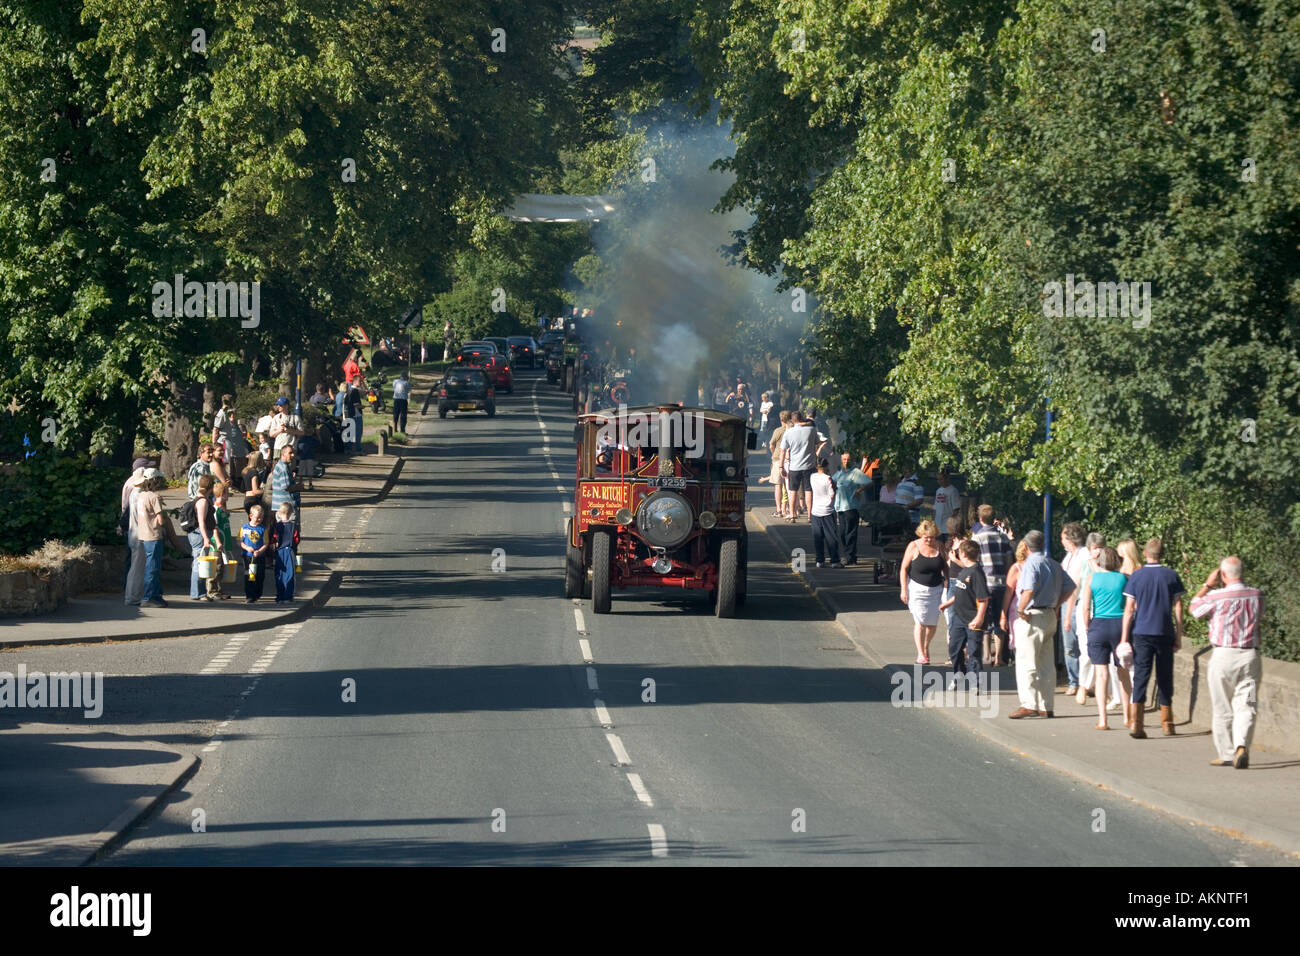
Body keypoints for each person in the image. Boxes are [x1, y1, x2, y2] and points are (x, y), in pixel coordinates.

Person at [1190, 557, 1262, 769]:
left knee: (1222, 706)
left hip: (1223, 656)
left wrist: (1207, 585)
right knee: (1247, 703)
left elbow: (1194, 609)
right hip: (1250, 656)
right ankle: (1242, 746)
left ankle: (1226, 753)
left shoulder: (1216, 596)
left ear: (1222, 575)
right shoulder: (1257, 595)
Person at [1121, 537, 1185, 739]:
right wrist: (1179, 634)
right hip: (1164, 631)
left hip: (1141, 631)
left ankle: (1136, 723)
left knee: (1141, 675)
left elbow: (1129, 609)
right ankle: (1167, 723)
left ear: (1146, 554)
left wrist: (1124, 637)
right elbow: (1178, 606)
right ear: (1162, 554)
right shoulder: (1171, 576)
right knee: (1165, 676)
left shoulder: (1137, 577)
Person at [1008, 530, 1074, 719]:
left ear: (1026, 547)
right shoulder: (1053, 563)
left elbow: (1028, 591)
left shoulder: (1030, 564)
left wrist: (1020, 609)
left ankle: (1029, 704)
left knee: (1026, 661)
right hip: (1049, 614)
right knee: (1046, 663)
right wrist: (1057, 605)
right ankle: (1047, 705)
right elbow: (1070, 587)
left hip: (1032, 615)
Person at [1079, 546, 1132, 730]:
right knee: (1123, 673)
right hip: (1119, 626)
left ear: (1100, 561)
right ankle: (1127, 716)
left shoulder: (1092, 579)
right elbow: (1131, 605)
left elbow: (1086, 607)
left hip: (1098, 625)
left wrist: (1087, 626)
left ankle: (1103, 720)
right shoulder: (1124, 578)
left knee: (1101, 675)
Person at [939, 539, 989, 690]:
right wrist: (947, 603)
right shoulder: (964, 571)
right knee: (954, 648)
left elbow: (983, 599)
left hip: (973, 619)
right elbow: (961, 591)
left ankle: (975, 681)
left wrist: (979, 618)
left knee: (974, 651)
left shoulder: (976, 573)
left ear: (963, 554)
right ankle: (958, 675)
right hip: (959, 618)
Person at [899, 519, 947, 664]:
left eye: (932, 537)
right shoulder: (913, 546)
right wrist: (904, 590)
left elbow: (946, 567)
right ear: (921, 534)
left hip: (936, 590)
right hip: (917, 589)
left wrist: (948, 582)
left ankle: (926, 648)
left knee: (932, 624)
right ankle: (920, 653)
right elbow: (904, 569)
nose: (928, 540)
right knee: (920, 622)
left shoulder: (940, 546)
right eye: (926, 537)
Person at [972, 504, 1014, 666]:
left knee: (984, 619)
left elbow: (974, 562)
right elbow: (1008, 561)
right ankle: (999, 658)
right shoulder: (1003, 538)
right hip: (1001, 583)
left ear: (980, 519)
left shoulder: (977, 538)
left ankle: (986, 656)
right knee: (999, 618)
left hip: (984, 583)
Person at [132, 470, 172, 608]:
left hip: (143, 534)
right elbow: (161, 520)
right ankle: (149, 597)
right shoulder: (154, 497)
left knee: (149, 566)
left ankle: (155, 594)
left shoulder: (141, 496)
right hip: (154, 535)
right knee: (153, 568)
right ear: (155, 481)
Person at [1059, 521, 1089, 697]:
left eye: (1063, 537)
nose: (1061, 541)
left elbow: (1076, 584)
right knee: (1069, 645)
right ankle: (1074, 681)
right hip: (1067, 602)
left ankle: (1083, 682)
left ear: (1070, 538)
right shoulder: (1068, 556)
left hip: (1079, 602)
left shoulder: (1084, 555)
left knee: (1082, 645)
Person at [832, 452, 871, 565]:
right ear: (841, 460)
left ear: (852, 460)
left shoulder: (855, 472)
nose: (846, 461)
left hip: (852, 506)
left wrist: (859, 490)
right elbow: (832, 482)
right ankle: (848, 555)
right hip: (840, 507)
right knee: (843, 532)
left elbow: (869, 482)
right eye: (844, 459)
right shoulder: (839, 473)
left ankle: (850, 557)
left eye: (848, 459)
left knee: (851, 533)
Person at [779, 412, 818, 523]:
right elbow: (817, 442)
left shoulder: (788, 432)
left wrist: (781, 467)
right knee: (808, 490)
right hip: (809, 465)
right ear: (802, 419)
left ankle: (792, 515)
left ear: (792, 420)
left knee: (792, 491)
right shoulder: (811, 430)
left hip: (794, 466)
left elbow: (783, 451)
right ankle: (810, 515)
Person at [122, 466, 150, 606]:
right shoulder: (140, 494)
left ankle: (131, 595)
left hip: (133, 533)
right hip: (140, 534)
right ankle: (133, 597)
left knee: (135, 567)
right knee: (137, 568)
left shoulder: (133, 492)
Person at [809, 459, 843, 569]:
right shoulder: (828, 479)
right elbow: (832, 494)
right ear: (826, 466)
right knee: (831, 537)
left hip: (815, 511)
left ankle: (820, 560)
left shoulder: (812, 477)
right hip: (827, 511)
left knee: (818, 537)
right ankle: (834, 561)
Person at [188, 474, 217, 602]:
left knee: (199, 562)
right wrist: (206, 537)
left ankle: (199, 592)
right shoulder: (203, 501)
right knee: (199, 563)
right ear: (211, 487)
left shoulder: (199, 498)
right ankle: (198, 593)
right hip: (199, 534)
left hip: (197, 534)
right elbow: (201, 521)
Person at [1001, 539, 1031, 660]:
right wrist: (1003, 615)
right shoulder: (1016, 568)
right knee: (1019, 643)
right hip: (1017, 609)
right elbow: (1009, 592)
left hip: (1032, 610)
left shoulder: (1038, 565)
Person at [212, 393, 251, 478]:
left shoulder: (227, 413)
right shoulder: (222, 413)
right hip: (224, 441)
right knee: (225, 463)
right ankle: (226, 482)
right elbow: (215, 429)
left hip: (228, 442)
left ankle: (229, 482)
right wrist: (214, 444)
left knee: (228, 463)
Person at [207, 482, 234, 600]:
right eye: (227, 493)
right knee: (215, 568)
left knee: (221, 568)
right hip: (216, 544)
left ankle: (218, 589)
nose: (229, 495)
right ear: (223, 494)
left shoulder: (222, 508)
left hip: (224, 543)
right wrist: (218, 542)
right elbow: (214, 527)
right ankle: (211, 591)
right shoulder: (215, 509)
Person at [271, 502, 301, 604]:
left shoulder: (277, 526)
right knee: (290, 574)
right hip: (290, 550)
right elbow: (296, 539)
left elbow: (274, 539)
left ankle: (280, 596)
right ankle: (288, 596)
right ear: (291, 512)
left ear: (279, 513)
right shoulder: (293, 526)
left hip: (279, 551)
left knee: (279, 574)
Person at [240, 505, 270, 603]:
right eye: (258, 517)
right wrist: (247, 548)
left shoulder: (263, 529)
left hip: (259, 556)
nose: (260, 519)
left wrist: (260, 551)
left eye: (261, 517)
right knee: (249, 575)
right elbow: (240, 541)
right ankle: (250, 595)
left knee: (260, 575)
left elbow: (266, 543)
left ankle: (257, 593)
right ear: (251, 516)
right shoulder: (244, 528)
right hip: (247, 556)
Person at [768, 411, 793, 518]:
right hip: (791, 459)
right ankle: (791, 509)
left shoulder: (778, 431)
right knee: (790, 486)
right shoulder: (793, 430)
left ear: (781, 420)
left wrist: (774, 453)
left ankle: (779, 509)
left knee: (778, 485)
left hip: (778, 459)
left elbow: (771, 444)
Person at [932, 470, 961, 541]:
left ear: (947, 478)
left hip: (947, 528)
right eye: (938, 479)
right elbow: (935, 508)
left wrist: (951, 523)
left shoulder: (953, 491)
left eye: (941, 479)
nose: (939, 481)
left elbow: (956, 509)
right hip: (938, 527)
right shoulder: (938, 490)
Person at [343, 378, 364, 454]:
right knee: (358, 433)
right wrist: (362, 407)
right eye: (360, 381)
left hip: (349, 413)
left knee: (349, 432)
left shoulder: (348, 390)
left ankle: (347, 449)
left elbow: (346, 402)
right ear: (355, 381)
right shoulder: (355, 391)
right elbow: (356, 405)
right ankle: (358, 450)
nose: (361, 383)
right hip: (356, 414)